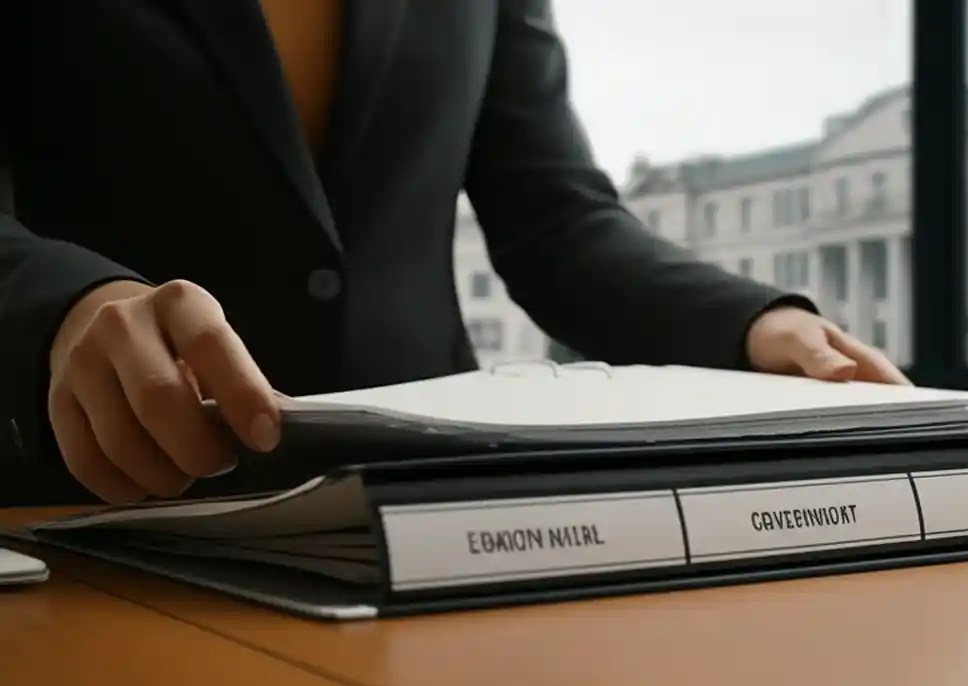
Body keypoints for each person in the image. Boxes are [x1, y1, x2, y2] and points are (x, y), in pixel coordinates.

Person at [0, 1, 908, 505]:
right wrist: (65, 306)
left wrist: (754, 326)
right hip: (95, 512)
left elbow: (555, 217)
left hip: (431, 513)